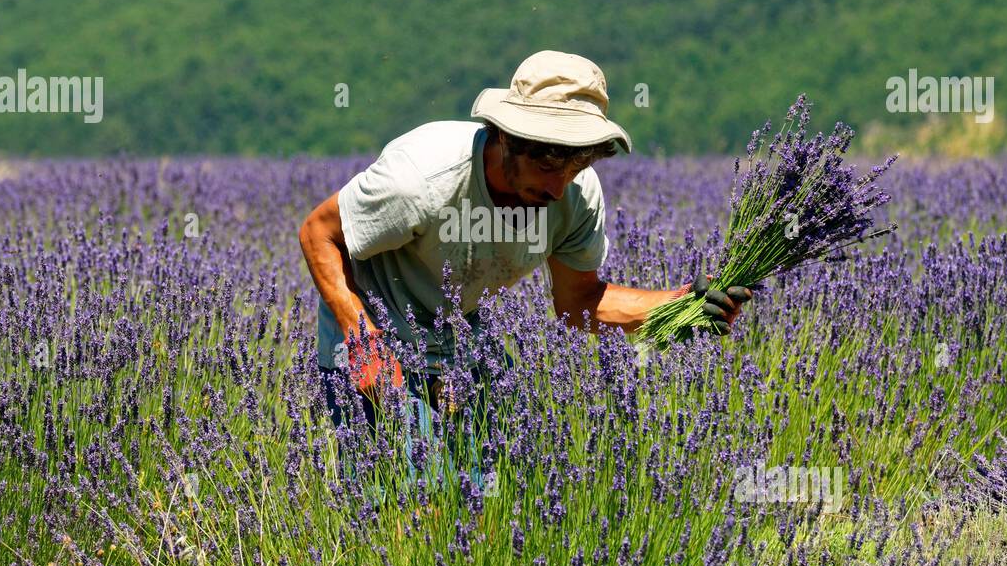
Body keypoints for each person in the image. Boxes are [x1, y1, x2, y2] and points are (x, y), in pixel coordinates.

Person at [298, 50, 752, 482]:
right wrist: (362, 339)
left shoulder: (575, 194)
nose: (558, 188)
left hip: (460, 336)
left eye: (575, 165)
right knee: (403, 511)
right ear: (506, 139)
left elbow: (579, 304)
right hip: (374, 327)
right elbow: (318, 233)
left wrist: (677, 309)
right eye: (549, 164)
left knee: (487, 499)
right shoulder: (420, 179)